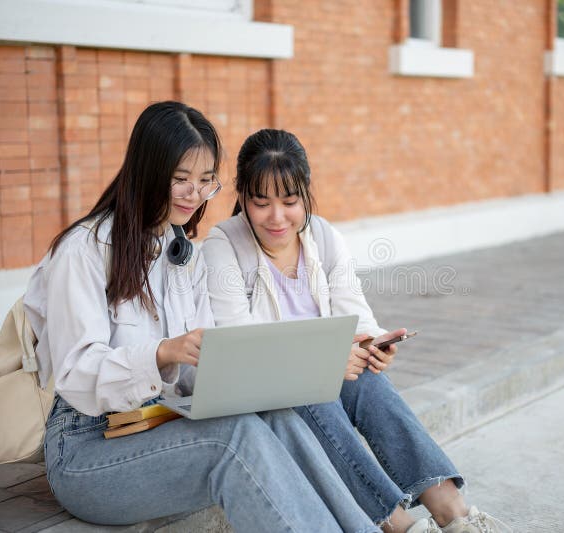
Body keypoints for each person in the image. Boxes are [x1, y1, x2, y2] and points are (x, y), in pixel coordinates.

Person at [23, 103, 379, 533]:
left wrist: (240, 373)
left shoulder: (182, 256)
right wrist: (161, 353)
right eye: (181, 180)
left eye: (206, 181)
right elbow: (76, 375)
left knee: (281, 415)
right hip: (87, 449)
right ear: (147, 171)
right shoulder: (84, 250)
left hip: (158, 423)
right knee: (234, 439)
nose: (195, 195)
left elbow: (198, 381)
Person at [201, 129, 510, 533]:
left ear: (306, 194)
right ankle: (399, 525)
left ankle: (456, 515)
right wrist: (323, 364)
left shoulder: (323, 236)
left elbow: (355, 313)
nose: (277, 217)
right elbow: (242, 349)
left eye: (290, 202)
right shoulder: (222, 247)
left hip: (322, 379)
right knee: (317, 392)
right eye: (262, 203)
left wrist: (374, 343)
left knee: (367, 379)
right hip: (268, 396)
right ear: (242, 197)